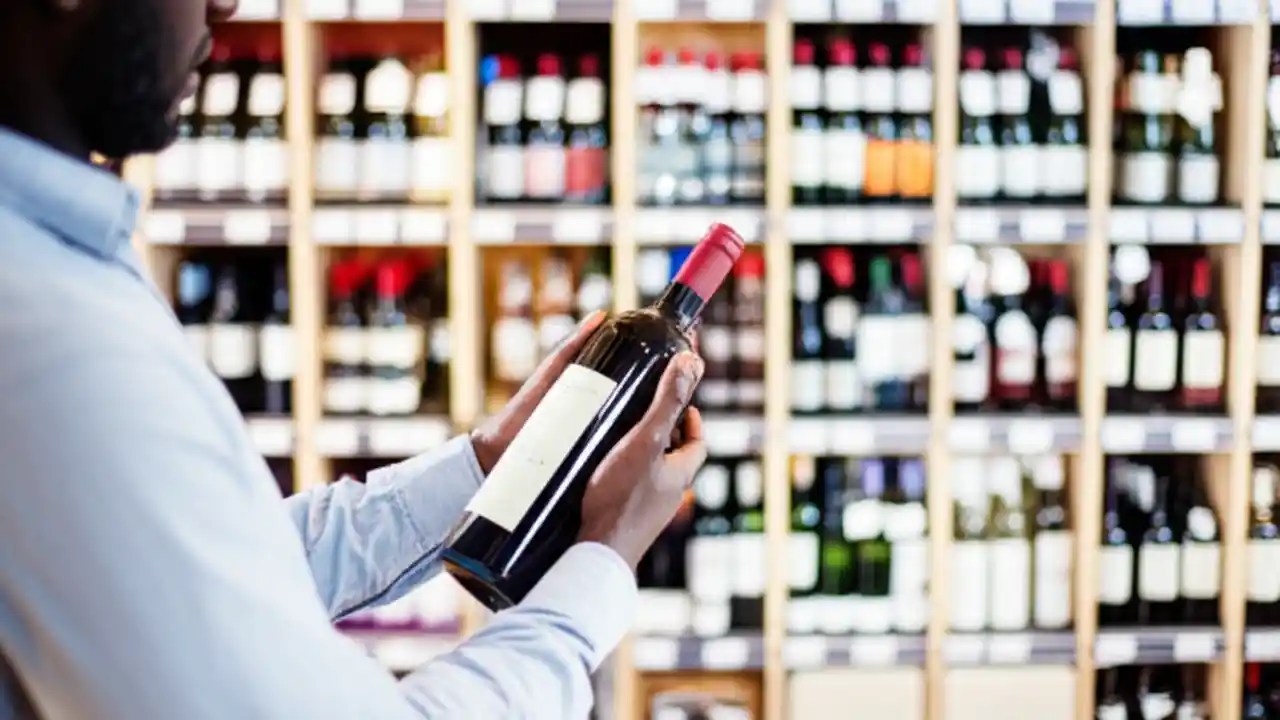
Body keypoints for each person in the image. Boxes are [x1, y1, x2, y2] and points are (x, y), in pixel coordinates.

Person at [0, 0, 709, 718]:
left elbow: (209, 569)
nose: (225, 4)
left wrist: (486, 469)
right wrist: (600, 565)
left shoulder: (61, 266)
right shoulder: (47, 343)